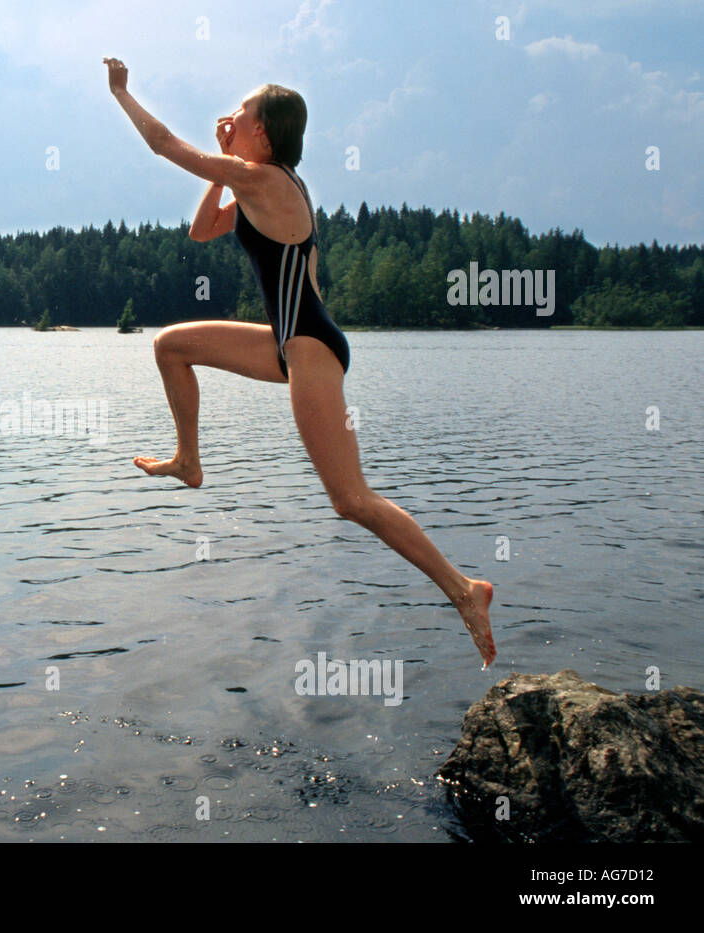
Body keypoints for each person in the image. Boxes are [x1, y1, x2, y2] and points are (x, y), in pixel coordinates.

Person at [104, 57, 496, 668]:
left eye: (239, 115)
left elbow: (161, 144)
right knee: (170, 345)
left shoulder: (270, 183)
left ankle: (464, 589)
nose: (228, 120)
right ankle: (188, 460)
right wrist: (224, 170)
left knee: (350, 500)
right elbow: (202, 230)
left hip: (309, 346)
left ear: (263, 132)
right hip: (289, 338)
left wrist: (122, 93)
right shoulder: (258, 184)